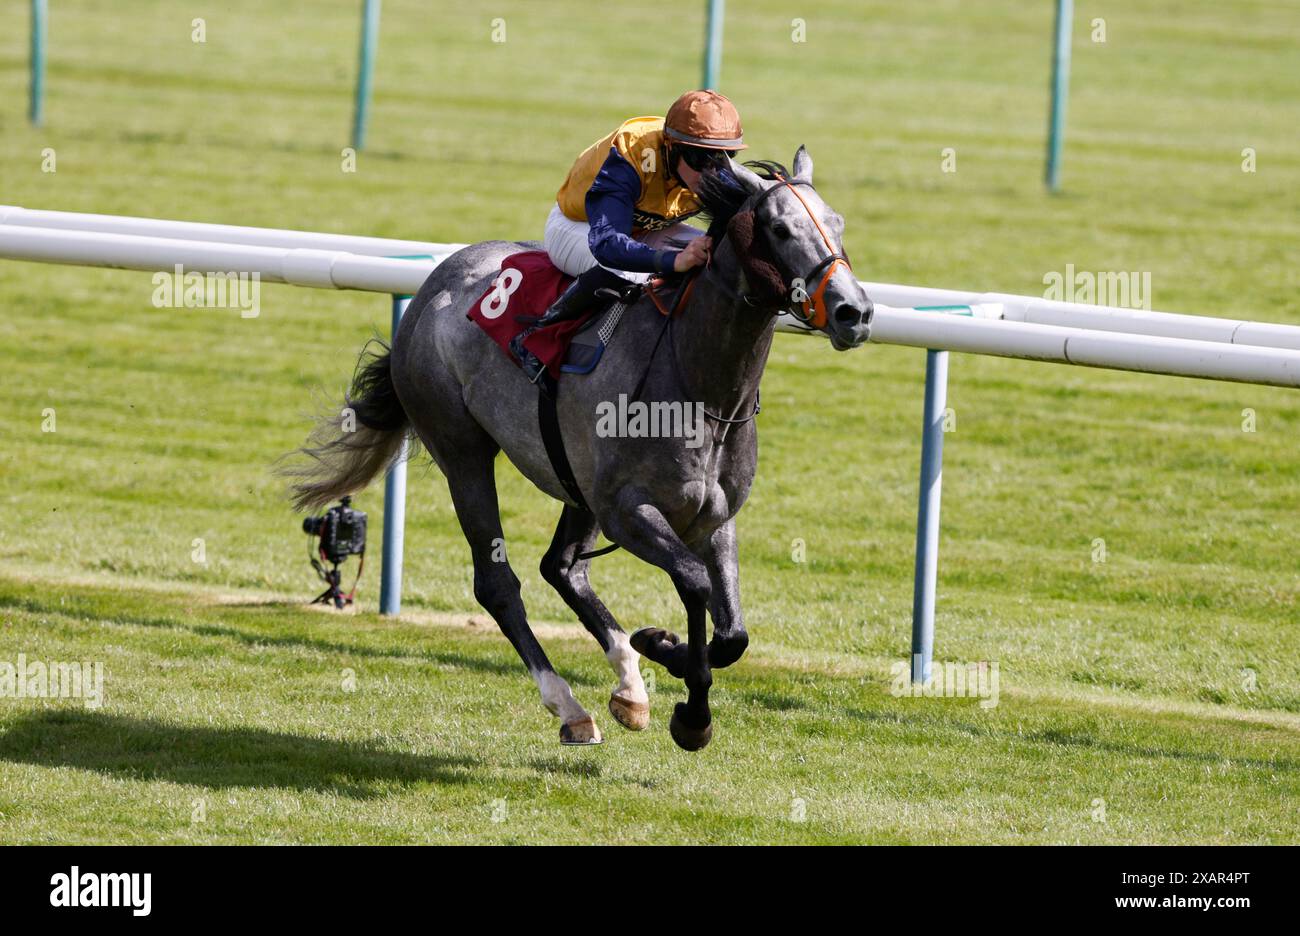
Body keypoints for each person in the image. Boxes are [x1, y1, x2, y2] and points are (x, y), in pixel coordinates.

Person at [510, 89, 747, 383]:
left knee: (717, 256)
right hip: (578, 228)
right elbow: (607, 243)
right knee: (628, 272)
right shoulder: (631, 154)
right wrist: (673, 261)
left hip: (647, 230)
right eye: (700, 158)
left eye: (722, 158)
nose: (713, 172)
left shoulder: (712, 169)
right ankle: (536, 336)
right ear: (672, 147)